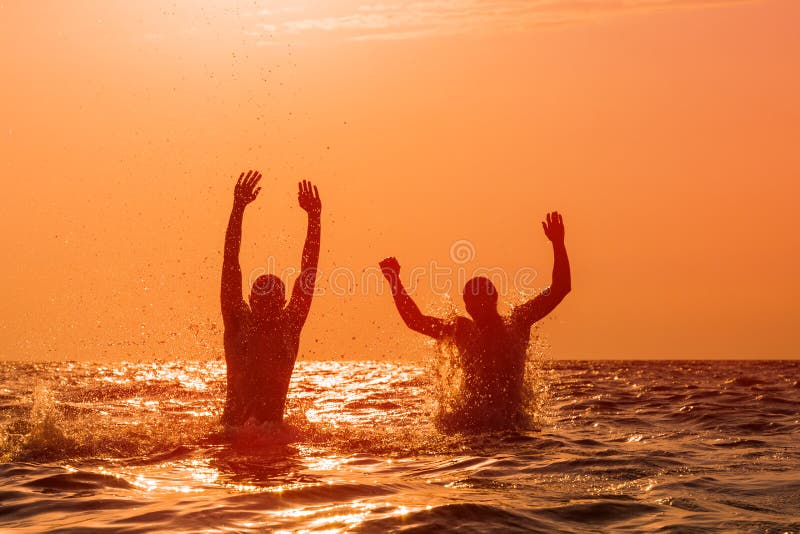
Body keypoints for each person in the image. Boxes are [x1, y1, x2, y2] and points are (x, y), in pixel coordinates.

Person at [379, 212, 570, 431]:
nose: (476, 306)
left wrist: (558, 244)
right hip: (470, 423)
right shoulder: (462, 330)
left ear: (493, 299)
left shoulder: (518, 322)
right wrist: (394, 280)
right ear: (467, 306)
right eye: (471, 301)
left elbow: (560, 288)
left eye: (480, 299)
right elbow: (415, 321)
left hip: (510, 423)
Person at [220, 170, 321, 426]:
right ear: (251, 301)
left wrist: (315, 219)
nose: (267, 305)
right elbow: (230, 261)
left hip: (269, 434)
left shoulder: (290, 325)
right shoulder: (237, 322)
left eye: (272, 300)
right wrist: (238, 208)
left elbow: (309, 271)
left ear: (283, 302)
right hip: (234, 433)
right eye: (263, 300)